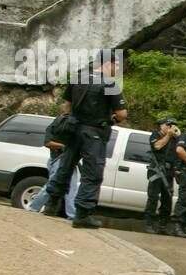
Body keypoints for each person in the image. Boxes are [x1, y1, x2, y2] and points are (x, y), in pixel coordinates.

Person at [40, 55, 127, 229]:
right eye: (115, 64)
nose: (116, 68)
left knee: (66, 166)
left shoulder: (78, 78)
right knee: (92, 173)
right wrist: (111, 118)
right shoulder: (109, 84)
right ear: (105, 63)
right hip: (94, 133)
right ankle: (82, 214)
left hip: (74, 130)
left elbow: (66, 106)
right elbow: (121, 114)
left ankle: (51, 205)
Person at [28, 112, 80, 219]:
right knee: (57, 186)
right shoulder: (67, 125)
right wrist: (65, 147)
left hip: (58, 160)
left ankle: (34, 207)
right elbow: (47, 143)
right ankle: (34, 207)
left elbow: (48, 143)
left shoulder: (55, 126)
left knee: (66, 187)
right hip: (60, 160)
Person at [144, 117, 179, 235]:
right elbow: (157, 146)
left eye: (173, 126)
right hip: (157, 171)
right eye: (169, 125)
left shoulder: (174, 139)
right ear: (162, 126)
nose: (171, 128)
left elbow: (178, 153)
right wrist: (168, 135)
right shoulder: (156, 135)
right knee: (153, 198)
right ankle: (149, 224)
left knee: (167, 199)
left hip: (169, 172)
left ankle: (162, 226)